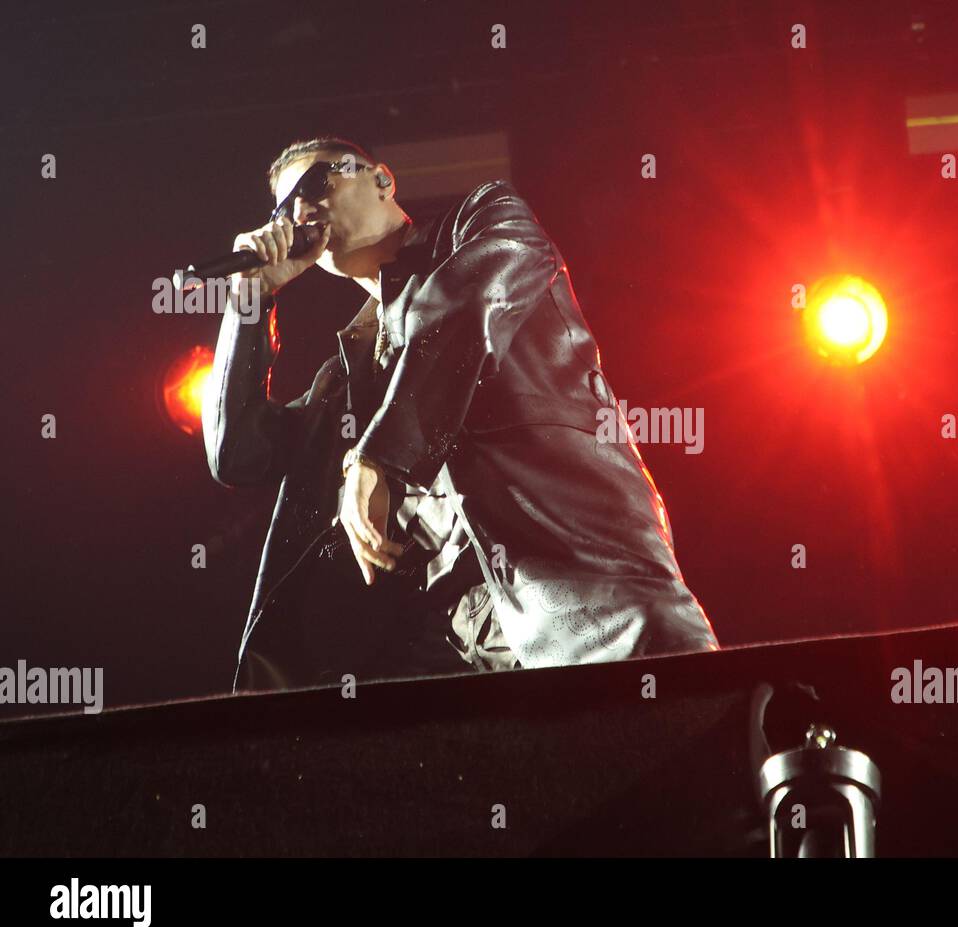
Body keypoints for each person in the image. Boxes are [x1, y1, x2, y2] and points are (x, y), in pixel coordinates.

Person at [202, 136, 719, 693]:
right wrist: (248, 302)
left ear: (382, 179)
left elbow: (465, 311)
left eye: (317, 183)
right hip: (461, 660)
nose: (301, 209)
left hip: (595, 618)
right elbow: (240, 454)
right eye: (285, 207)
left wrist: (378, 457)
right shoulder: (351, 372)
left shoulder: (485, 222)